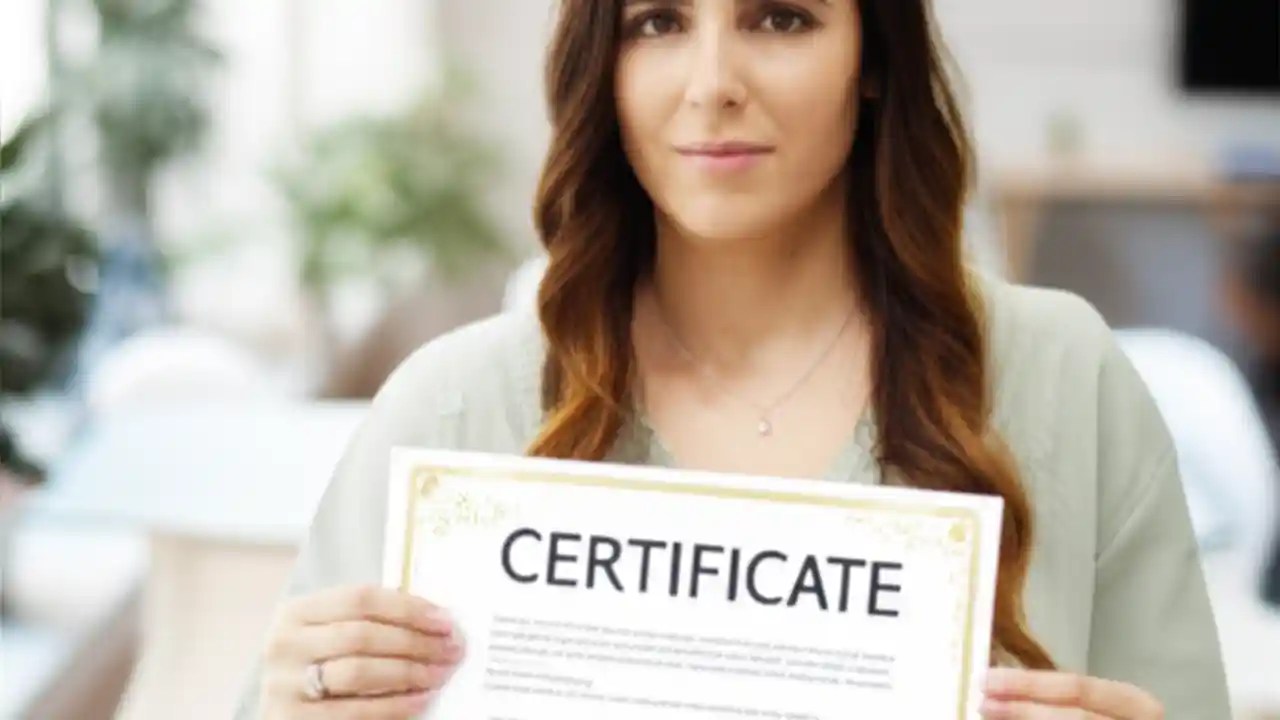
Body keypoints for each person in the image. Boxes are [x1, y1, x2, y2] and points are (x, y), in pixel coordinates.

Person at [237, 1, 1230, 717]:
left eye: (780, 19)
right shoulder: (452, 404)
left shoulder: (1060, 374)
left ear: (871, 58)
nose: (712, 85)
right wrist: (296, 706)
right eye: (658, 22)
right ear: (604, 66)